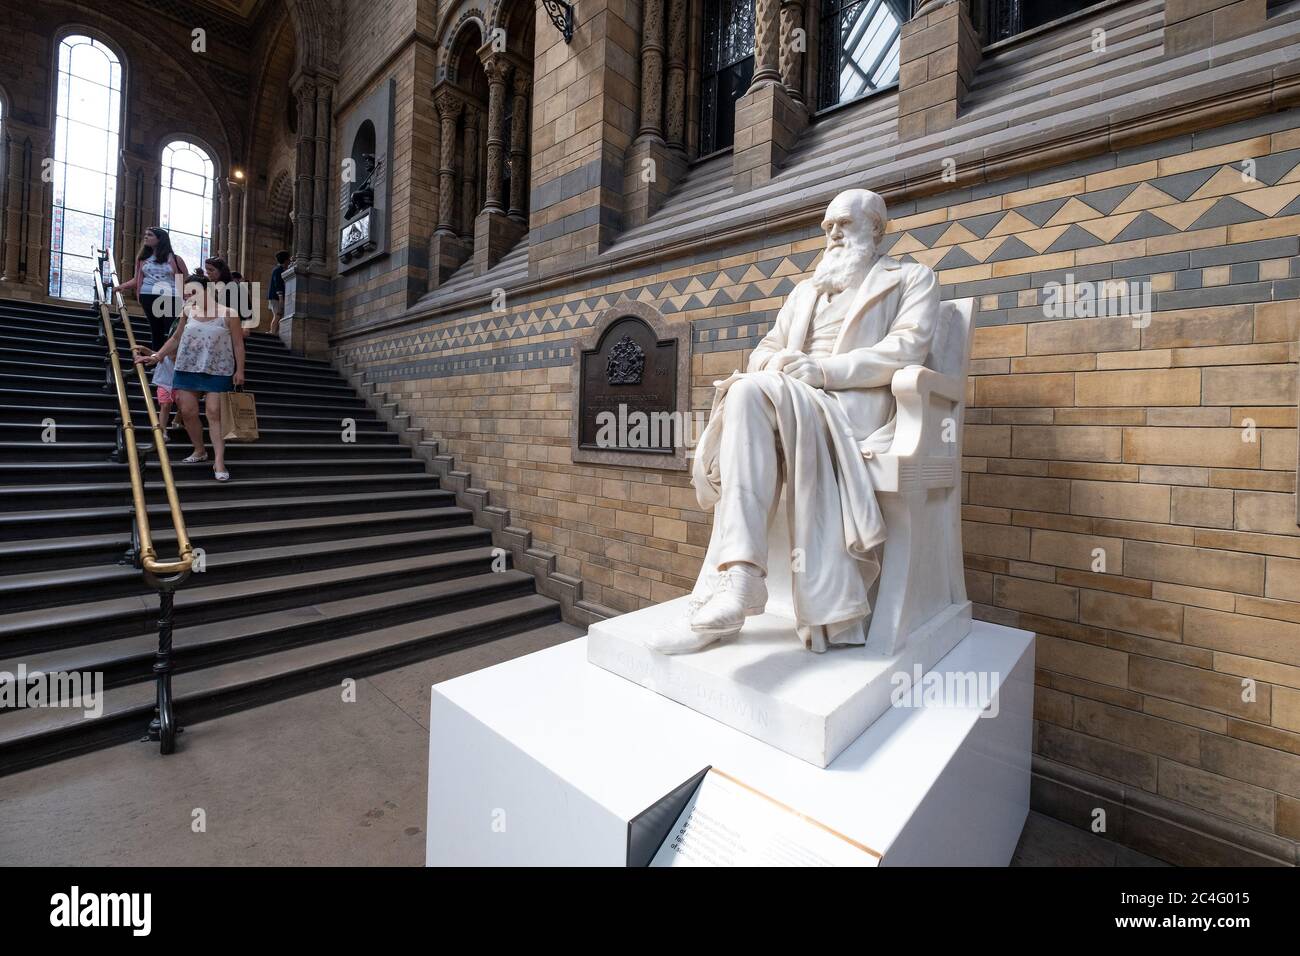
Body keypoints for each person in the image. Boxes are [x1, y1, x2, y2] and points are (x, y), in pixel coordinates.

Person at [647, 188, 940, 655]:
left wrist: (824, 371)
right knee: (745, 388)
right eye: (827, 227)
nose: (833, 233)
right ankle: (740, 579)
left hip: (849, 409)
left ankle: (739, 584)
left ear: (876, 228)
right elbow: (763, 349)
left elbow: (907, 348)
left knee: (745, 395)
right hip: (788, 400)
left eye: (844, 223)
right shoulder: (806, 290)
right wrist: (779, 363)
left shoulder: (909, 278)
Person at [135, 272, 246, 482]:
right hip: (187, 367)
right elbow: (176, 338)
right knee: (187, 411)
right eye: (186, 293)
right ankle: (200, 450)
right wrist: (157, 356)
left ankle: (219, 461)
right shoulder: (187, 311)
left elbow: (239, 344)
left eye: (192, 291)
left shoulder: (229, 313)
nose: (188, 296)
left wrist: (240, 371)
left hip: (218, 369)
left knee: (214, 413)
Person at [116, 227, 189, 351]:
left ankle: (171, 359)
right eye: (145, 234)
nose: (146, 237)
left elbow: (185, 279)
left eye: (150, 235)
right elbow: (136, 280)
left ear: (160, 239)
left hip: (170, 297)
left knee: (172, 328)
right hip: (148, 295)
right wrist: (121, 286)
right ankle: (157, 362)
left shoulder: (175, 259)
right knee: (156, 330)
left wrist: (186, 296)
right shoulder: (143, 259)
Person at [267, 250, 289, 335]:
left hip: (277, 298)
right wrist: (281, 299)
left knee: (279, 315)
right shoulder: (278, 270)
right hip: (276, 298)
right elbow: (278, 285)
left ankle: (275, 332)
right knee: (277, 315)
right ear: (286, 260)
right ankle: (272, 333)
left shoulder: (280, 270)